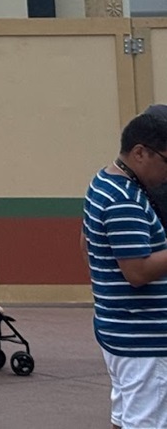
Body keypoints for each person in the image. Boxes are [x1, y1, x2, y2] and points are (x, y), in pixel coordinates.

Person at [84, 109, 167, 429]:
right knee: (146, 422)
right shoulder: (124, 200)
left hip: (122, 330)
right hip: (143, 339)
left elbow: (85, 243)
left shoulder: (105, 182)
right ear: (140, 152)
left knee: (127, 417)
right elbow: (137, 272)